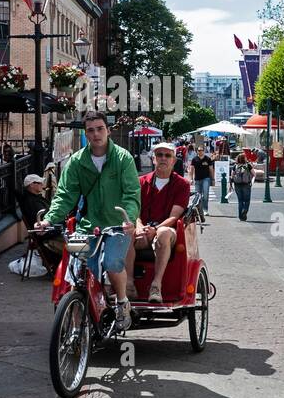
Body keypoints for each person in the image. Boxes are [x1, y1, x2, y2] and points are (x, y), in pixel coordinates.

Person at [35, 111, 141, 332]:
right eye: (90, 130)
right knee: (77, 269)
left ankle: (122, 303)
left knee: (112, 262)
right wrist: (48, 220)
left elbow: (131, 194)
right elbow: (65, 195)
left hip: (117, 225)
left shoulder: (123, 158)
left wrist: (129, 219)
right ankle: (79, 320)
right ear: (86, 134)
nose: (96, 134)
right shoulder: (77, 161)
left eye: (100, 129)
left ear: (108, 131)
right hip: (88, 225)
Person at [134, 141, 191, 302]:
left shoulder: (182, 184)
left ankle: (156, 286)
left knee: (163, 233)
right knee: (126, 233)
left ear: (174, 160)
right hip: (144, 228)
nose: (163, 158)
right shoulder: (141, 182)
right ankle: (128, 285)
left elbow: (174, 217)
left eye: (167, 155)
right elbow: (135, 211)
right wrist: (139, 227)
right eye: (159, 155)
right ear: (153, 159)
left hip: (167, 230)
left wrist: (155, 228)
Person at [18, 173, 62, 274]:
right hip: (47, 233)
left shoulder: (35, 198)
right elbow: (43, 218)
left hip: (49, 230)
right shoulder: (32, 201)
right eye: (39, 183)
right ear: (32, 185)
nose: (42, 184)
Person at [230, 152, 254, 221]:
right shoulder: (248, 165)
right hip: (246, 184)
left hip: (237, 184)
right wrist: (250, 180)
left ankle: (241, 216)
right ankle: (245, 210)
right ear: (244, 159)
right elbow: (254, 174)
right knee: (247, 200)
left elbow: (232, 176)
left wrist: (231, 185)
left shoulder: (235, 166)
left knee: (240, 201)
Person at [192, 145, 214, 211]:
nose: (200, 152)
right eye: (199, 150)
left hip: (206, 178)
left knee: (205, 194)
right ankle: (199, 209)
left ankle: (205, 209)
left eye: (201, 150)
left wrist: (212, 179)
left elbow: (211, 169)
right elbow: (191, 169)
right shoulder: (194, 159)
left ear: (204, 151)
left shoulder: (208, 159)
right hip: (197, 179)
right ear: (197, 151)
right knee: (198, 196)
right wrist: (191, 178)